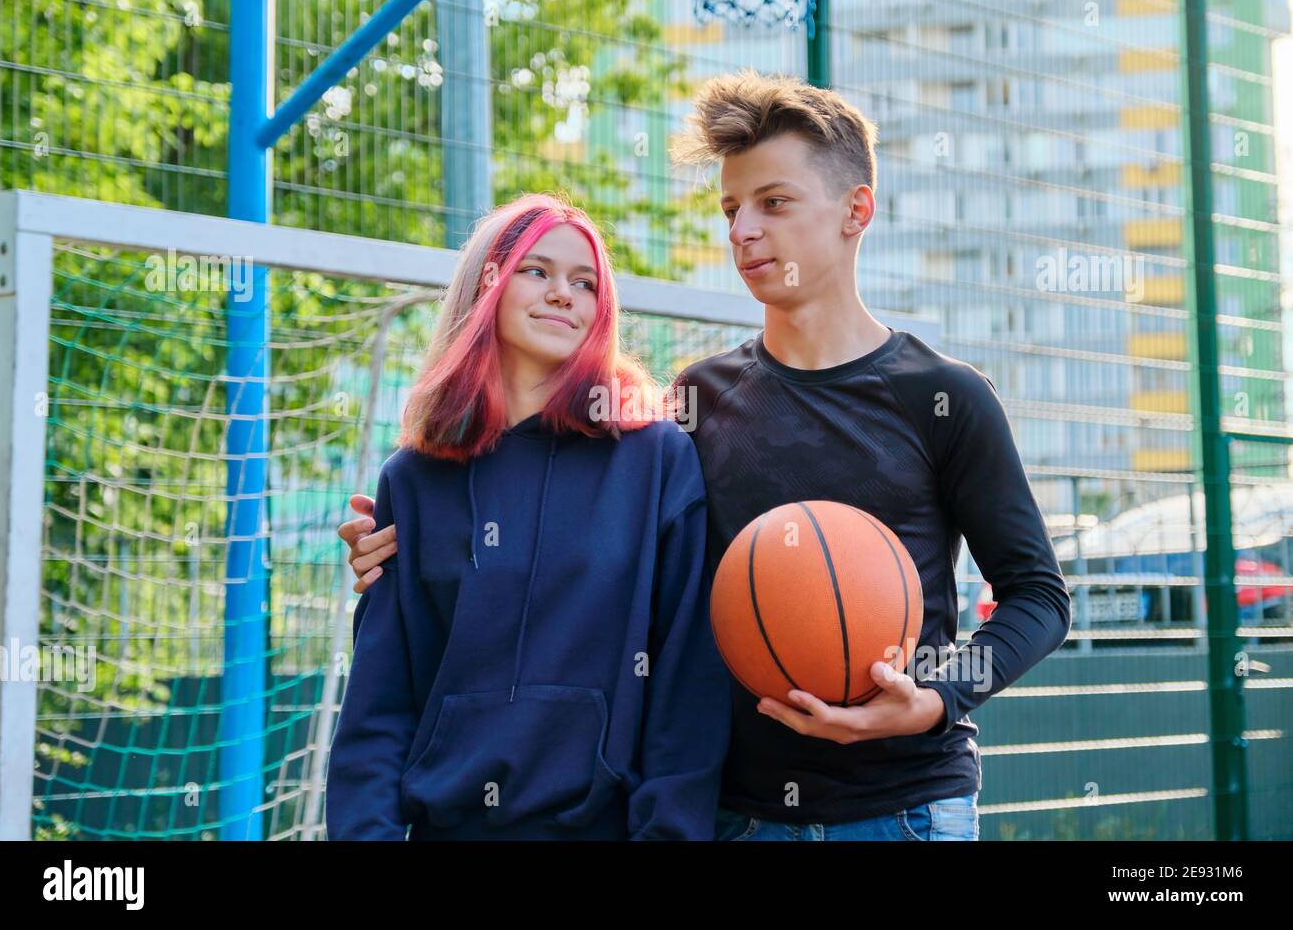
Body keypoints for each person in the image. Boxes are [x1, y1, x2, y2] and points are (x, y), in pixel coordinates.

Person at [342, 70, 1073, 842]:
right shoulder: (696, 403)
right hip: (736, 813)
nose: (743, 230)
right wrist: (401, 547)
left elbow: (1038, 599)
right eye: (731, 209)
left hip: (904, 805)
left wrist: (935, 694)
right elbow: (581, 536)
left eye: (774, 203)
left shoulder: (945, 397)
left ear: (856, 210)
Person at [324, 192, 731, 841]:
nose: (563, 294)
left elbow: (686, 682)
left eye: (585, 282)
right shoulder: (415, 477)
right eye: (537, 271)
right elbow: (381, 702)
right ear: (490, 282)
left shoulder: (653, 458)